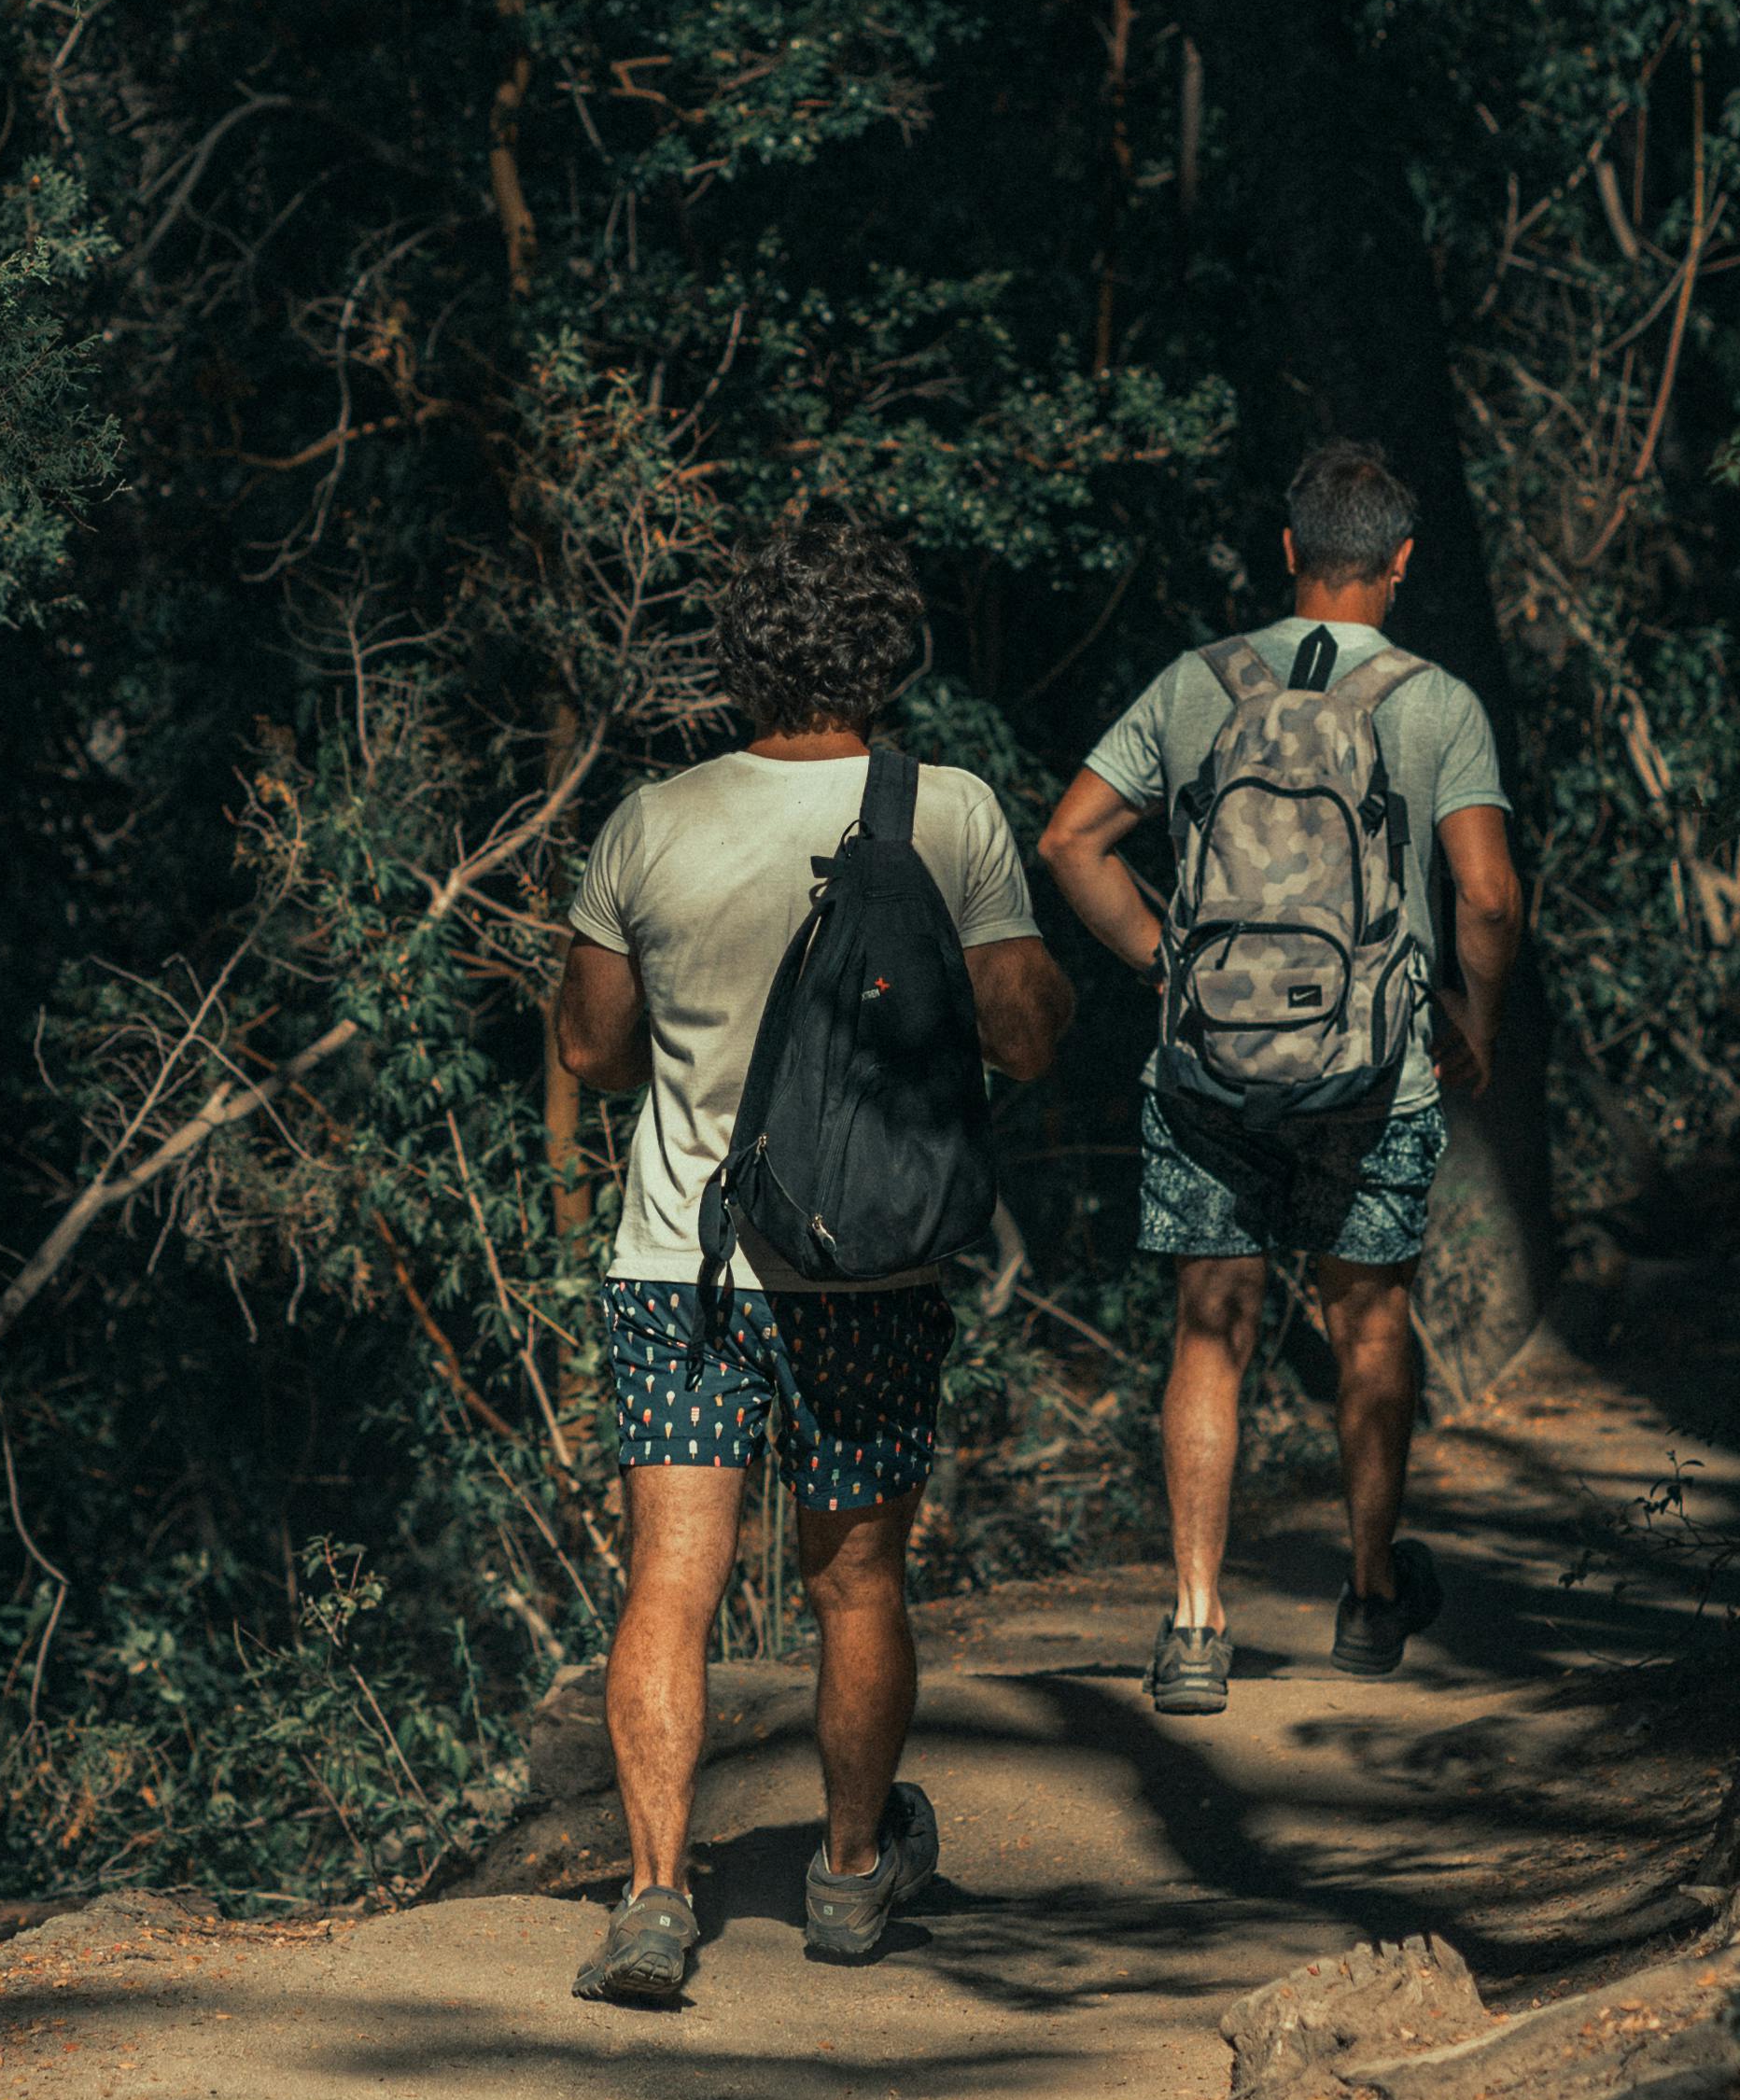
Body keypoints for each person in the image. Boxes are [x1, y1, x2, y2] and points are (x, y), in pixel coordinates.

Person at [552, 509, 1071, 2008]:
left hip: (681, 1267)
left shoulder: (651, 821)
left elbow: (592, 1047)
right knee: (860, 1585)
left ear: (739, 656)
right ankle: (847, 1875)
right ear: (887, 649)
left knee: (672, 1581)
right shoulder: (951, 811)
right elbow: (1026, 1038)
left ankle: (654, 1902)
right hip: (875, 1272)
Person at [1039, 438, 1522, 1714]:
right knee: (1369, 1324)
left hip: (1209, 1069)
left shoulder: (1198, 686)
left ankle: (1196, 1625)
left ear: (1291, 553)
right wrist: (1471, 1014)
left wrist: (1167, 964)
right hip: (1377, 1070)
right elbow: (1487, 893)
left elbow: (1070, 838)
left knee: (1212, 1330)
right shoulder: (1436, 704)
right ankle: (1368, 1594)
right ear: (1404, 562)